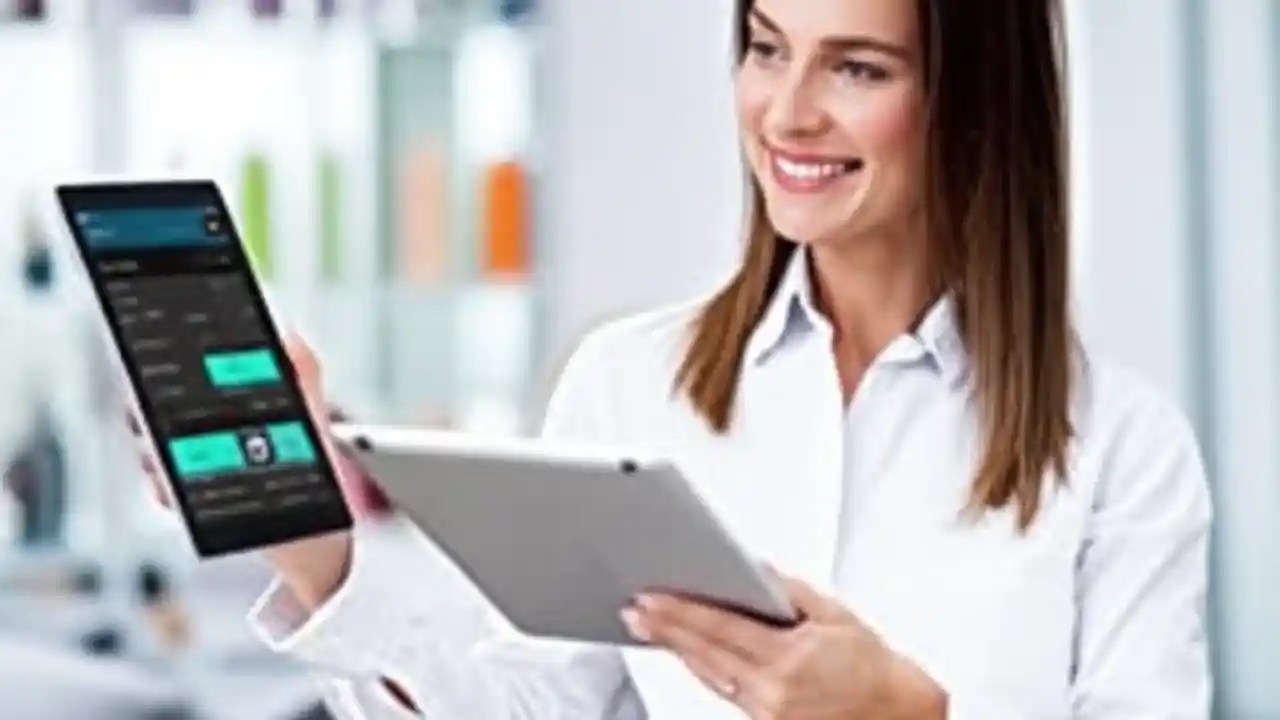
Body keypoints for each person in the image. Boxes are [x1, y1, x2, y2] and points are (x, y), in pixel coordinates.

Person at [137, 0, 1212, 717]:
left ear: (972, 103)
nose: (785, 112)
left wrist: (907, 715)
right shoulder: (631, 382)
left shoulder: (1120, 449)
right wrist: (316, 547)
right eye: (763, 46)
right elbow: (534, 709)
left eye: (856, 67)